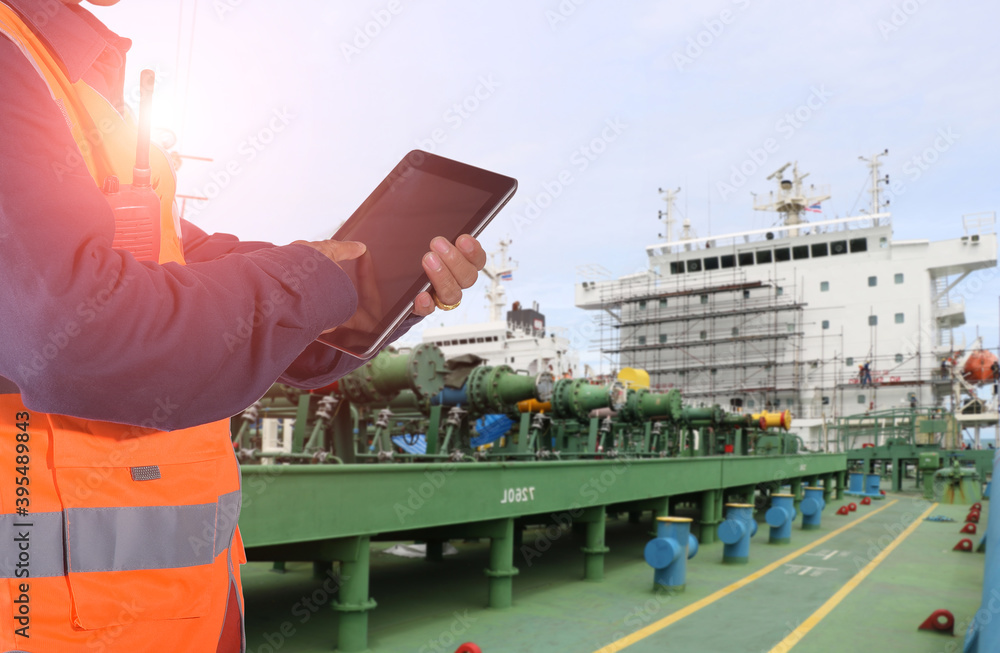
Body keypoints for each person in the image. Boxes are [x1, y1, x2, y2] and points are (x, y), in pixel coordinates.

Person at [0, 1, 486, 650]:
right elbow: (77, 334)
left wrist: (372, 290)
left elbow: (201, 281)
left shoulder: (67, 85)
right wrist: (314, 281)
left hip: (175, 617)